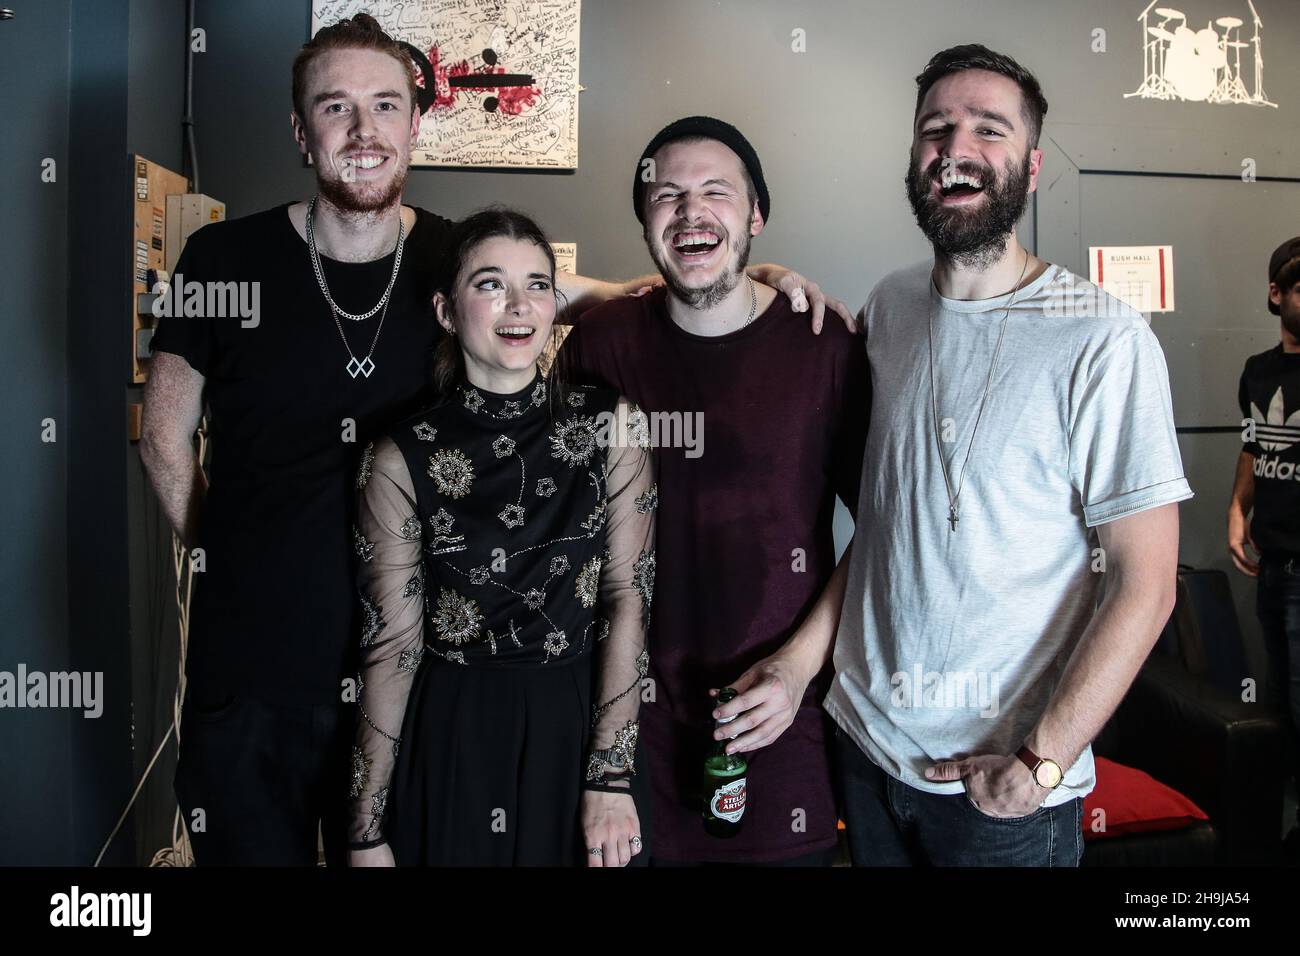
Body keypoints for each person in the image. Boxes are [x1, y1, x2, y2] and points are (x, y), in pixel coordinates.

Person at [826, 45, 1192, 866]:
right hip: (863, 746)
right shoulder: (888, 308)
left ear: (1029, 164)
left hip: (998, 791)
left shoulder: (1103, 336)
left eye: (988, 129)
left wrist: (1041, 763)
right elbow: (886, 525)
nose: (957, 148)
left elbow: (1147, 583)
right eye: (936, 129)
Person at [561, 117, 870, 865]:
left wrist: (798, 668)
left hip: (778, 723)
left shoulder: (826, 346)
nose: (690, 210)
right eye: (666, 195)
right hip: (624, 739)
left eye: (715, 192)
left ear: (756, 215)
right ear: (645, 223)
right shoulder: (601, 345)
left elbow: (882, 531)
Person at [345, 209, 653, 866]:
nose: (520, 306)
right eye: (490, 284)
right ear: (446, 311)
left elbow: (628, 596)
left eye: (538, 284)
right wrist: (365, 830)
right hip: (453, 728)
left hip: (577, 722)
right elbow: (392, 645)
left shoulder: (611, 425)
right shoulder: (398, 458)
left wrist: (611, 775)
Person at [1227, 235, 1300, 858]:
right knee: (1279, 702)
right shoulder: (1258, 371)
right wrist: (1236, 508)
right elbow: (1254, 446)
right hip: (1274, 564)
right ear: (1276, 295)